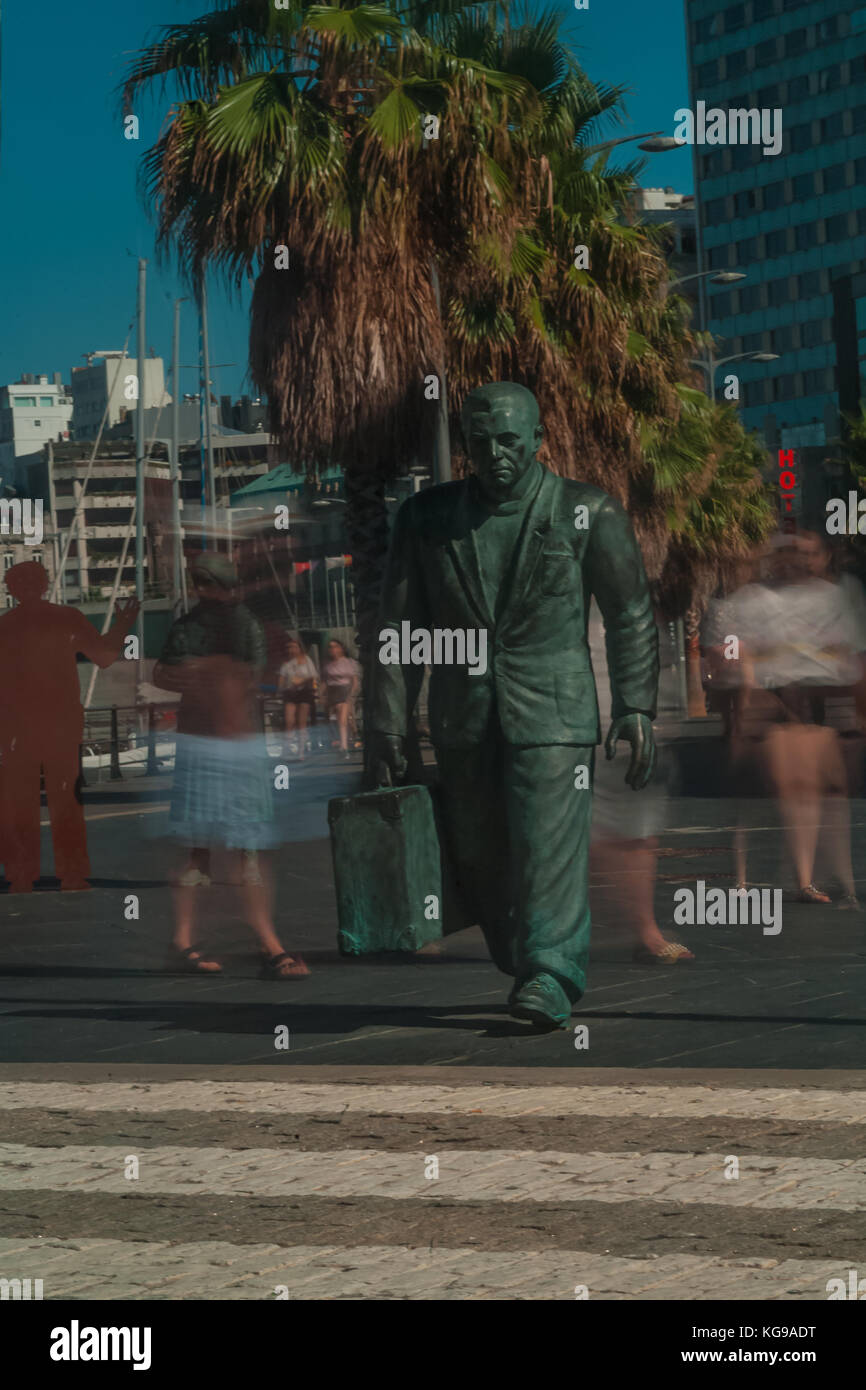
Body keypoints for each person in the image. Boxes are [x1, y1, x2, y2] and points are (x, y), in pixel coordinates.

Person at [368, 381, 658, 1030]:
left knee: (545, 846)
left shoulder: (589, 512)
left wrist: (636, 703)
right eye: (479, 441)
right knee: (477, 854)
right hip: (462, 714)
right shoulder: (426, 518)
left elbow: (630, 611)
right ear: (464, 443)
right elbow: (398, 629)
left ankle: (550, 971)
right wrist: (386, 719)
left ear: (536, 440)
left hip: (552, 714)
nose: (494, 453)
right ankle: (522, 955)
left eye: (508, 439)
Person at [153, 553, 309, 978]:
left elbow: (171, 674)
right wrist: (207, 673)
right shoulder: (208, 625)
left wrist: (199, 672)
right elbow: (169, 674)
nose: (203, 588)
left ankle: (247, 941)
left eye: (206, 581)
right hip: (222, 745)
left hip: (223, 745)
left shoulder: (224, 626)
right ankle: (249, 943)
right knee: (225, 852)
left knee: (231, 851)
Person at [0, 561, 138, 892]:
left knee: (18, 805)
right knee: (67, 801)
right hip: (62, 725)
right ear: (46, 584)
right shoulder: (67, 618)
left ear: (11, 589)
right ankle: (72, 875)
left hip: (16, 729)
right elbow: (104, 656)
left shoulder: (4, 626)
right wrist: (122, 625)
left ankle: (20, 875)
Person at [278, 636, 318, 760]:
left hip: (304, 692)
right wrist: (280, 691)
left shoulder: (307, 660)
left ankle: (301, 751)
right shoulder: (286, 663)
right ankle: (287, 749)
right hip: (290, 693)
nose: (291, 649)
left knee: (302, 723)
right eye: (289, 647)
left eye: (294, 647)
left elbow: (313, 675)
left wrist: (301, 681)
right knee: (289, 721)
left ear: (300, 648)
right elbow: (281, 679)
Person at [322, 638, 360, 759]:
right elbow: (325, 682)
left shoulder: (349, 662)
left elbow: (355, 681)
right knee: (340, 719)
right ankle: (346, 741)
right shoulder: (328, 665)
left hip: (346, 691)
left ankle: (344, 746)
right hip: (333, 692)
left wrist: (352, 694)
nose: (333, 649)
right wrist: (321, 695)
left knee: (343, 719)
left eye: (335, 646)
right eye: (331, 647)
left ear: (341, 648)